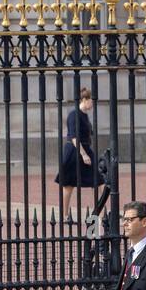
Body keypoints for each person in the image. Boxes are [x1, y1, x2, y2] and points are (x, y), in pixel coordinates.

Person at [55, 89, 96, 224]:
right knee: (68, 185)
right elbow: (74, 137)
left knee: (98, 181)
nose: (92, 104)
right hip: (74, 151)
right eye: (91, 100)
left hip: (86, 149)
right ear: (84, 100)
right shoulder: (74, 115)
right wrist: (83, 154)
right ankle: (64, 215)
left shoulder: (84, 115)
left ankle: (99, 214)